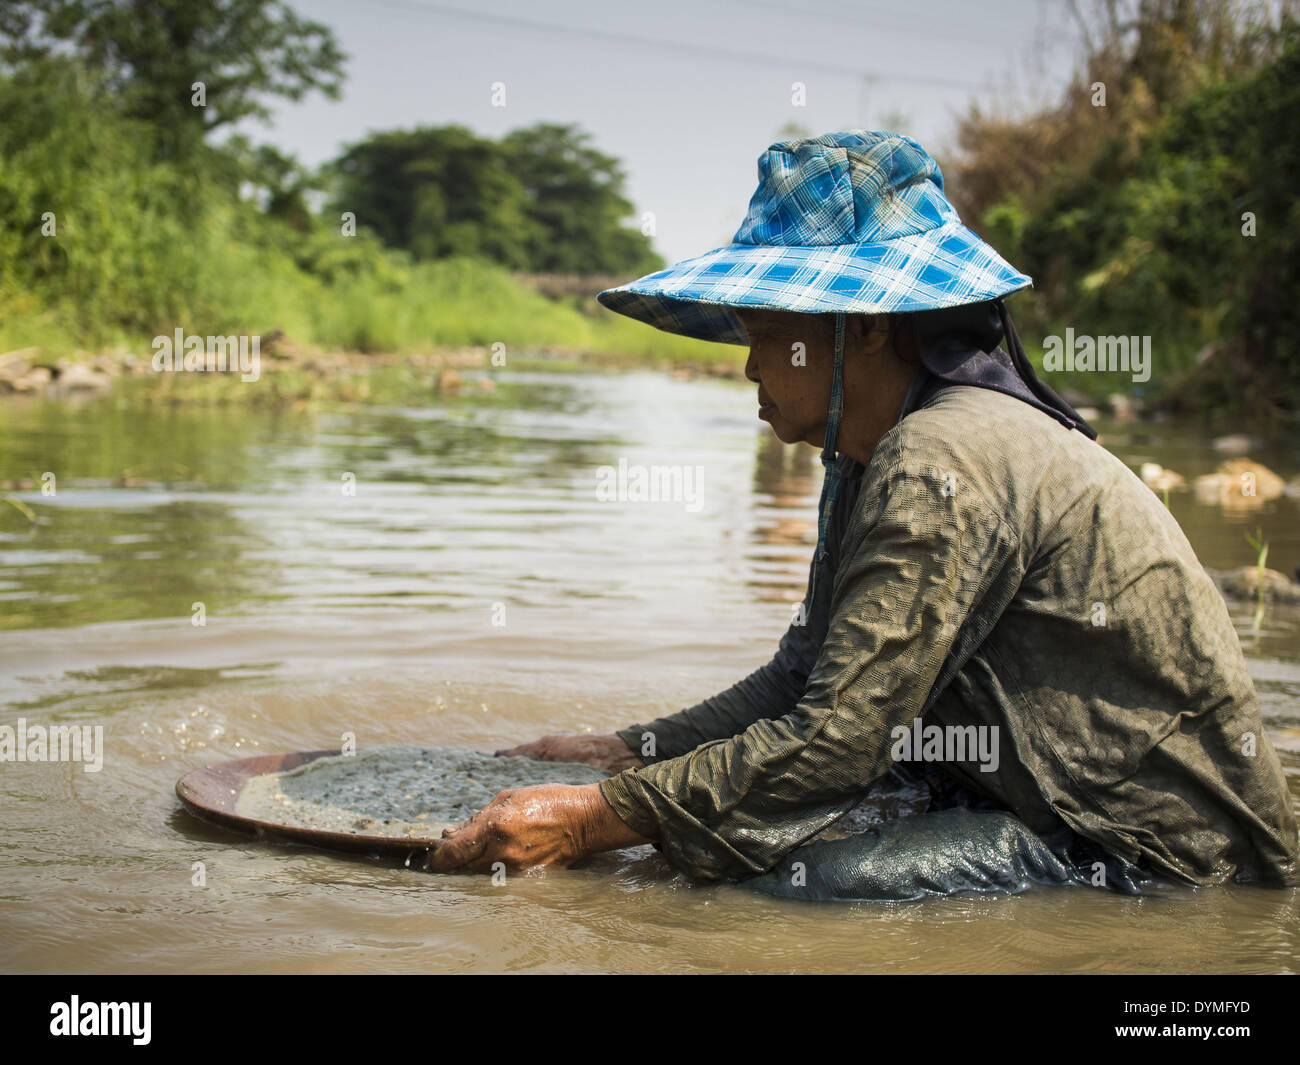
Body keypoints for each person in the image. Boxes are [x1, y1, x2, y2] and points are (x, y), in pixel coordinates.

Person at [429, 130, 1297, 899]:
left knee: (742, 883)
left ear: (867, 330)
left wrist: (590, 820)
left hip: (1148, 849)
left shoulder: (935, 462)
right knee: (708, 834)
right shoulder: (866, 453)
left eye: (768, 333)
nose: (748, 368)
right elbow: (805, 676)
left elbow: (836, 743)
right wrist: (629, 750)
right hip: (1030, 793)